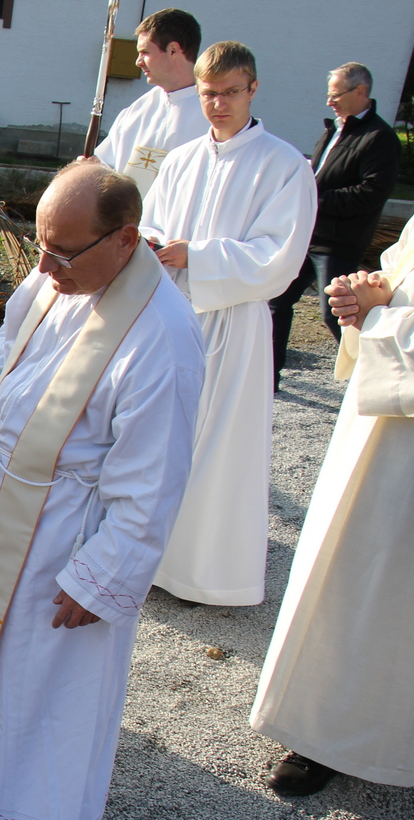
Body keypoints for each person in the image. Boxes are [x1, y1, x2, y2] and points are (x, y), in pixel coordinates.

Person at [0, 162, 204, 820]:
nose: (42, 267)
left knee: (33, 671)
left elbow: (155, 478)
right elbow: (5, 347)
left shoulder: (163, 334)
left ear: (125, 240)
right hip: (2, 500)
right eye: (40, 245)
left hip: (65, 531)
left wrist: (102, 577)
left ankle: (10, 808)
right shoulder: (59, 273)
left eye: (62, 252)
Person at [250, 59, 414, 803]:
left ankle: (359, 738)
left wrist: (382, 315)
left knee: (390, 589)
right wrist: (364, 289)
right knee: (341, 567)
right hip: (380, 416)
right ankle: (318, 719)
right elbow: (399, 275)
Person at [140, 41, 315, 606]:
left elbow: (280, 257)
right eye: (209, 94)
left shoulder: (285, 165)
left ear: (253, 89)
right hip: (173, 315)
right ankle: (150, 559)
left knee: (218, 450)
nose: (218, 105)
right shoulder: (182, 158)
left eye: (230, 93)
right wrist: (153, 244)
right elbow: (152, 222)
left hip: (234, 322)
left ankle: (204, 574)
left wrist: (199, 256)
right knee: (160, 438)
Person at [268, 62, 400, 390]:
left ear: (361, 92)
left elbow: (371, 192)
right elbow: (321, 175)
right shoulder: (334, 129)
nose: (329, 101)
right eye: (329, 95)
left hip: (339, 242)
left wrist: (315, 199)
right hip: (308, 234)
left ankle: (377, 378)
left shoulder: (380, 138)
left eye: (336, 95)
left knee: (335, 313)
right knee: (277, 300)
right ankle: (267, 380)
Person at [92, 8, 206, 197]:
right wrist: (88, 169)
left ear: (173, 50)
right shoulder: (137, 110)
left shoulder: (211, 115)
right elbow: (105, 166)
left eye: (145, 52)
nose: (138, 62)